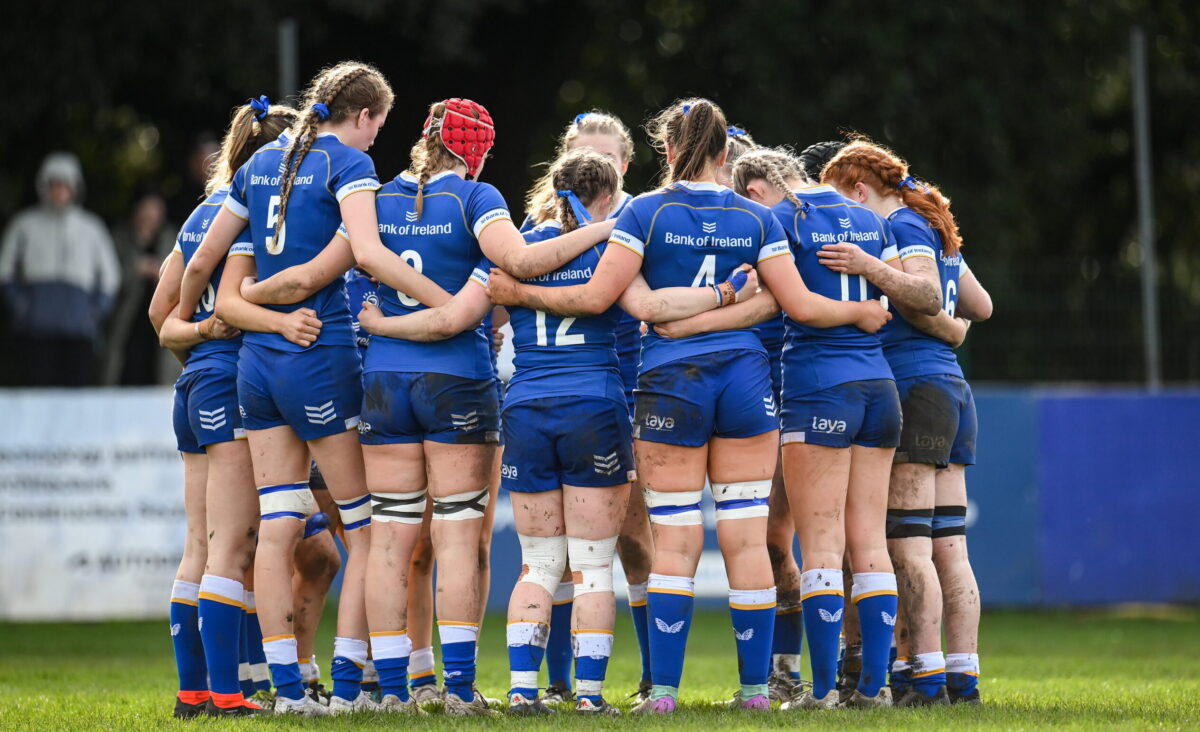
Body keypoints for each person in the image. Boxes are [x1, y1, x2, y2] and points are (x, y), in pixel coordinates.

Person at [485, 98, 888, 714]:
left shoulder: (644, 212)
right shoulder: (757, 218)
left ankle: (664, 695)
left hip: (673, 381)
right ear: (728, 154)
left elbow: (625, 303)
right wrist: (733, 301)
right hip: (746, 382)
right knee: (748, 539)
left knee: (674, 542)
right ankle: (756, 693)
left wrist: (517, 290)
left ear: (667, 151)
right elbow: (789, 305)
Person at [341, 97, 617, 716]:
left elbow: (346, 279)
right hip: (457, 384)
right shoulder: (477, 199)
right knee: (458, 536)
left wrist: (386, 327)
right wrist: (605, 228)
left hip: (384, 384)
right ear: (478, 151)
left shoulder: (375, 197)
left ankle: (392, 691)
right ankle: (460, 691)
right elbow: (516, 265)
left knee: (390, 536)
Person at [178, 61, 437, 716]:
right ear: (365, 116)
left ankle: (290, 693)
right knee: (367, 528)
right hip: (316, 356)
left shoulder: (259, 166)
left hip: (255, 371)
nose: (377, 139)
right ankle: (364, 687)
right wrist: (448, 305)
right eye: (379, 125)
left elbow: (211, 266)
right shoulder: (347, 167)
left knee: (276, 528)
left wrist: (194, 324)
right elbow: (370, 256)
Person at [733, 147, 943, 709]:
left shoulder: (782, 218)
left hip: (818, 386)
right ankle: (872, 689)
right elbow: (915, 292)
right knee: (870, 544)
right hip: (880, 387)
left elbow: (779, 302)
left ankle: (823, 690)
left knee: (821, 547)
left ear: (758, 188)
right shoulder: (877, 219)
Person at [821, 138, 988, 706]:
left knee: (908, 546)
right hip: (951, 387)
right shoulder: (933, 225)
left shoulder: (900, 226)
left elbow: (919, 290)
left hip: (915, 388)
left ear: (861, 190)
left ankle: (924, 677)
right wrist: (950, 327)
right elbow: (980, 306)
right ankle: (962, 678)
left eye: (844, 202)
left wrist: (867, 265)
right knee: (949, 548)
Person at [145, 97, 298, 718]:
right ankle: (227, 695)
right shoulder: (266, 217)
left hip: (194, 387)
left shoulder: (200, 214)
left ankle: (194, 694)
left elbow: (162, 320)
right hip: (231, 384)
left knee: (201, 543)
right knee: (233, 542)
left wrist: (201, 340)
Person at [520, 110, 656, 704]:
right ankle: (564, 684)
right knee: (581, 557)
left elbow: (490, 300)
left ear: (625, 166)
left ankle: (649, 673)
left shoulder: (642, 218)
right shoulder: (545, 226)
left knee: (627, 540)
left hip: (619, 388)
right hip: (593, 393)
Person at [0, 152, 120, 386]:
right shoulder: (25, 224)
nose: (59, 191)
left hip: (79, 330)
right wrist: (21, 305)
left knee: (76, 392)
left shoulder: (91, 227)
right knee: (36, 389)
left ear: (75, 188)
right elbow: (4, 269)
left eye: (64, 185)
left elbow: (110, 276)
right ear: (43, 186)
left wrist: (94, 312)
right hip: (36, 329)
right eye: (53, 185)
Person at [108, 189, 178, 385]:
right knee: (124, 368)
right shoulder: (120, 237)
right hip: (127, 318)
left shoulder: (170, 237)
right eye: (145, 208)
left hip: (160, 318)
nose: (149, 214)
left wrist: (160, 274)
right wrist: (134, 270)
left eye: (155, 208)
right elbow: (108, 278)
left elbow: (183, 277)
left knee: (159, 370)